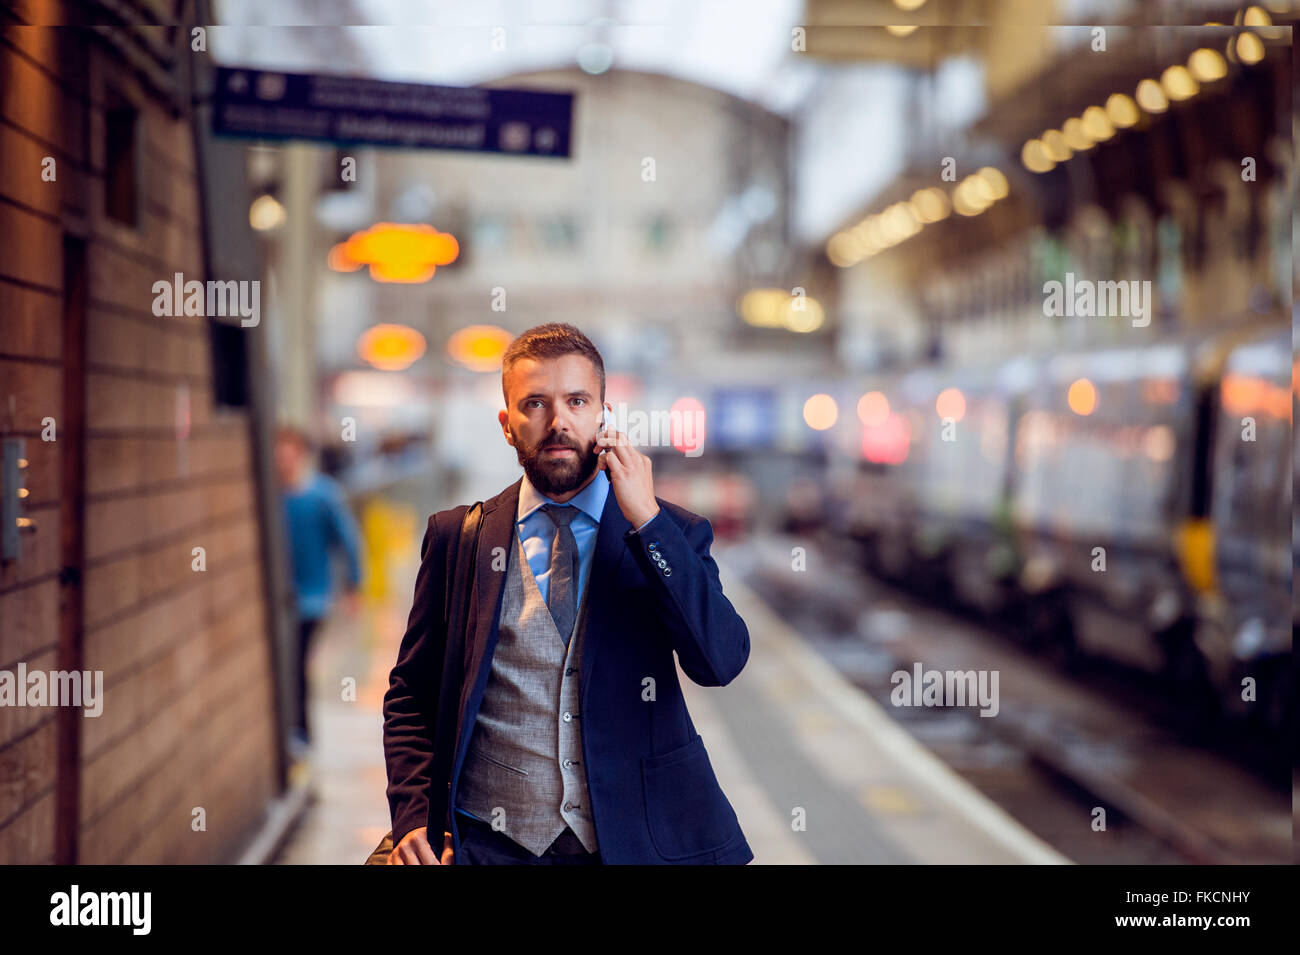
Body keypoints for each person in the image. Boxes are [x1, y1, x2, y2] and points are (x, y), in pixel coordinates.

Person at [382, 323, 754, 865]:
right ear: (508, 425)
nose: (558, 422)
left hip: (633, 844)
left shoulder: (668, 530)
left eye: (576, 401)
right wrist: (414, 813)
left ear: (603, 413)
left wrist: (648, 521)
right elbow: (411, 696)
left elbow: (720, 660)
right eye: (535, 403)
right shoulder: (458, 538)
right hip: (492, 843)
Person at [275, 425, 362, 755]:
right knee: (290, 664)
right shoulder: (272, 498)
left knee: (296, 661)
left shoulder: (323, 495)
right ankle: (296, 731)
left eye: (289, 451)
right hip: (281, 599)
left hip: (312, 599)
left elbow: (347, 541)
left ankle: (301, 734)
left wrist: (354, 586)